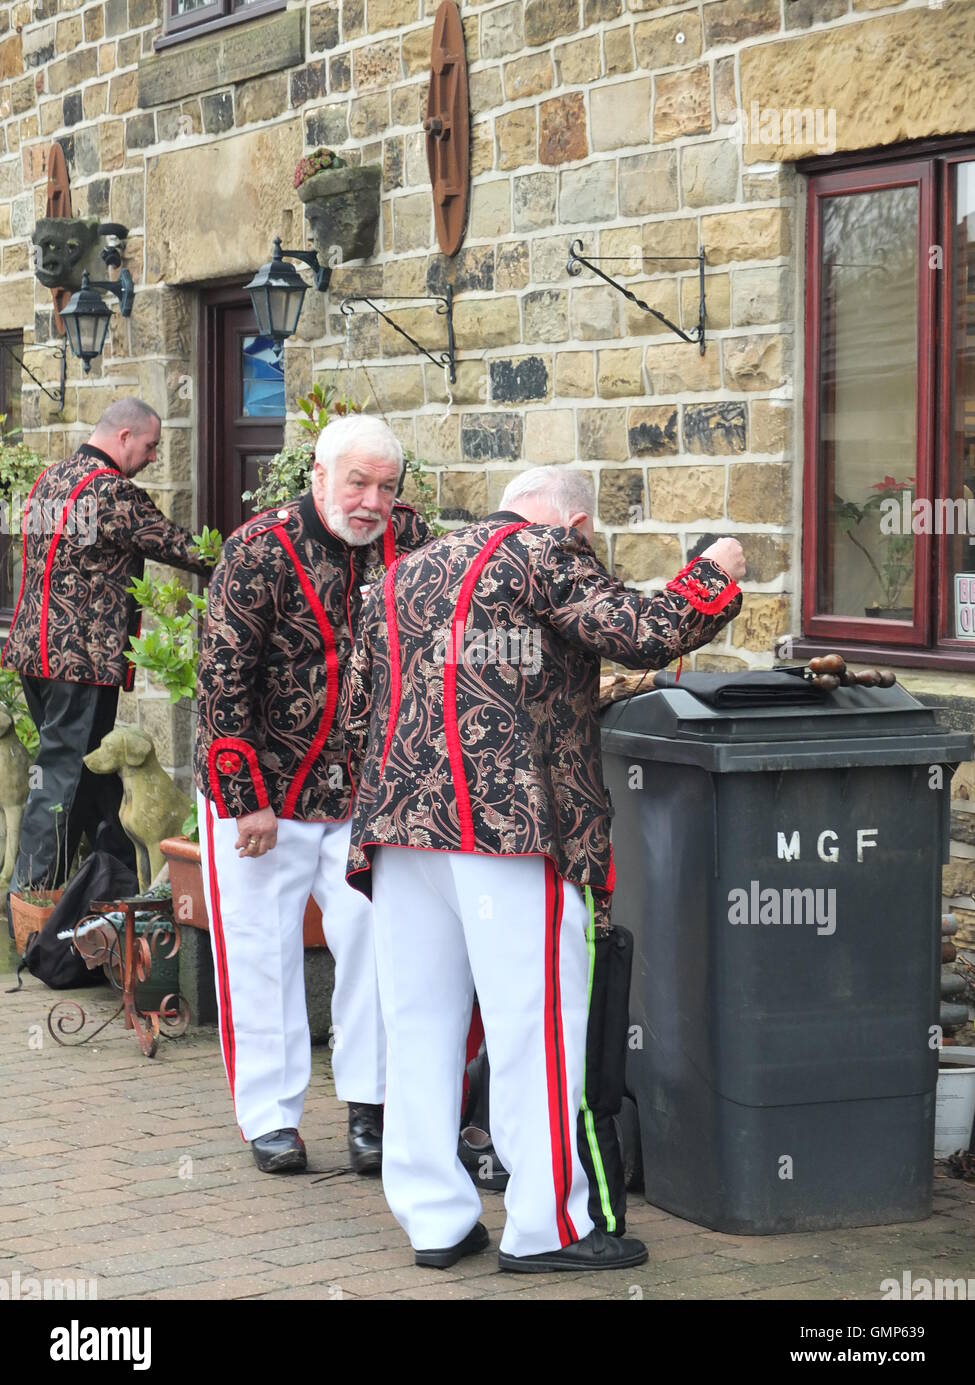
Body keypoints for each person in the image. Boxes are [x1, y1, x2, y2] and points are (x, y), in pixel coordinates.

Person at [341, 466, 745, 1271]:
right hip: (507, 832)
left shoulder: (401, 570)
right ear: (578, 524)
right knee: (536, 1029)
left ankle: (435, 1221)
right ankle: (545, 1227)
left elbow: (359, 708)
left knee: (419, 1028)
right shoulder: (543, 552)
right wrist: (714, 570)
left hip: (397, 828)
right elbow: (642, 630)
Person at [194, 414, 429, 1176]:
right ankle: (271, 1117)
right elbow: (222, 678)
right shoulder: (257, 549)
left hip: (366, 793)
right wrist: (244, 797)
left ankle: (371, 1107)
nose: (370, 501)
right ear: (319, 476)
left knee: (375, 943)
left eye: (385, 487)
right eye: (357, 482)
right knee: (261, 951)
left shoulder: (414, 540)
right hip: (265, 792)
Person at [2, 397, 213, 901]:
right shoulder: (112, 491)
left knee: (89, 770)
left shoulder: (48, 481)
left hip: (34, 652)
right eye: (151, 445)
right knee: (58, 774)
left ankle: (117, 877)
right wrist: (251, 558)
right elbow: (180, 547)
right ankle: (28, 898)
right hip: (82, 660)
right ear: (123, 437)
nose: (154, 457)